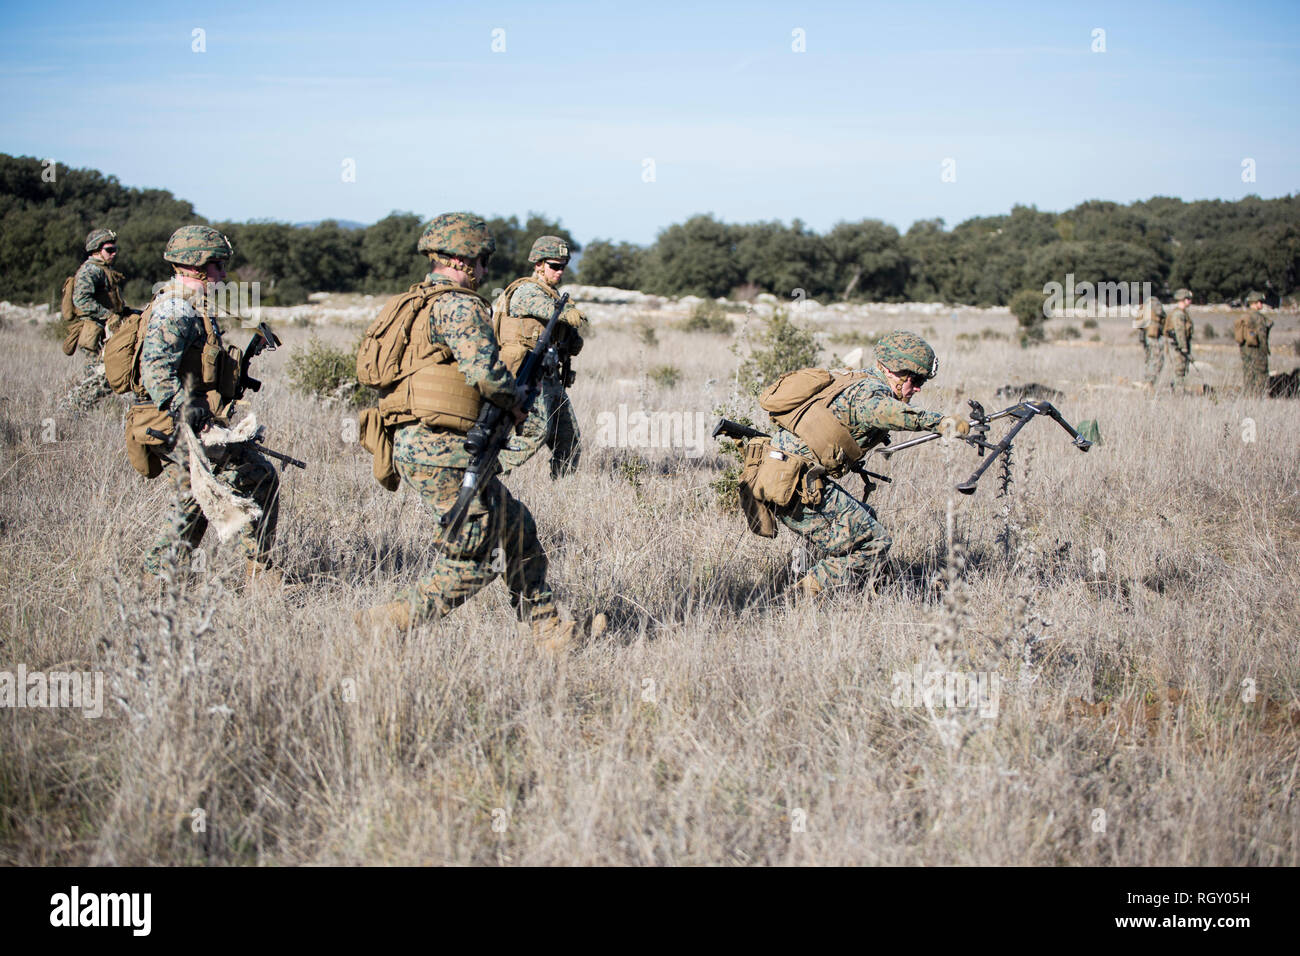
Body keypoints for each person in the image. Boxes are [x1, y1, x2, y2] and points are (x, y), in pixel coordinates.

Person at [356, 214, 598, 651]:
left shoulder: (417, 301)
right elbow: (485, 372)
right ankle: (385, 623)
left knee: (518, 527)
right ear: (465, 259)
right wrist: (516, 400)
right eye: (482, 261)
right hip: (440, 445)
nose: (485, 271)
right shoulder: (458, 304)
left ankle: (550, 631)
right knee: (469, 555)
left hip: (426, 441)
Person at [764, 331, 970, 598]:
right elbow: (886, 412)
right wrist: (941, 422)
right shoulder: (871, 391)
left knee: (865, 519)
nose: (917, 388)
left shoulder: (855, 379)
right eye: (914, 379)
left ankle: (884, 591)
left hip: (781, 473)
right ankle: (794, 600)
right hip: (792, 481)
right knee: (874, 541)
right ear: (893, 372)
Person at [135, 225, 282, 583]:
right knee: (259, 476)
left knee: (194, 501)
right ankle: (261, 577)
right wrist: (185, 407)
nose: (224, 274)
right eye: (218, 266)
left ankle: (157, 579)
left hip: (173, 421)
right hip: (169, 423)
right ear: (196, 266)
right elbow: (155, 368)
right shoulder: (174, 309)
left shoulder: (190, 306)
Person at [495, 236, 587, 478]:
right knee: (536, 433)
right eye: (554, 266)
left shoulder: (553, 295)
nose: (560, 272)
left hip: (550, 379)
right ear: (538, 264)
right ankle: (489, 469)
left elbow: (570, 339)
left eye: (563, 267)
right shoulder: (526, 291)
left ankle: (564, 493)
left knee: (569, 441)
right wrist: (567, 312)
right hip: (526, 377)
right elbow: (545, 309)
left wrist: (571, 335)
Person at [61, 228, 130, 411]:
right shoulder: (90, 270)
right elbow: (81, 300)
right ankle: (71, 408)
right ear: (96, 250)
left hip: (105, 329)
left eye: (115, 249)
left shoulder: (104, 270)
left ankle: (77, 409)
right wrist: (108, 315)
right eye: (109, 250)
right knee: (100, 377)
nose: (114, 253)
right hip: (95, 331)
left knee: (101, 375)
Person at [1234, 291, 1272, 395]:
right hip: (1257, 350)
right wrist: (1265, 350)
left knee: (1248, 372)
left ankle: (1248, 394)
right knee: (1261, 373)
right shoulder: (1258, 317)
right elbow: (1262, 335)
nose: (1261, 304)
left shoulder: (1244, 316)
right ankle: (1259, 395)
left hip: (1245, 350)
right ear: (1254, 303)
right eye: (1259, 302)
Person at [1135, 292, 1167, 388]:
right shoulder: (1156, 304)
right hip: (1153, 335)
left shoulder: (1143, 306)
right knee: (1157, 359)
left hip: (1145, 336)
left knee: (1149, 358)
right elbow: (1163, 317)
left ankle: (1147, 380)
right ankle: (1150, 382)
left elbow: (1138, 324)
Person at [1165, 288, 1195, 390]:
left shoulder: (1182, 313)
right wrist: (1183, 347)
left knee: (1181, 369)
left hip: (1179, 346)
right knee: (1179, 369)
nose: (1190, 301)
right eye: (1188, 299)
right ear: (1183, 299)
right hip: (1178, 347)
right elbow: (1180, 332)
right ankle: (1178, 392)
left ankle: (1178, 390)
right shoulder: (1179, 314)